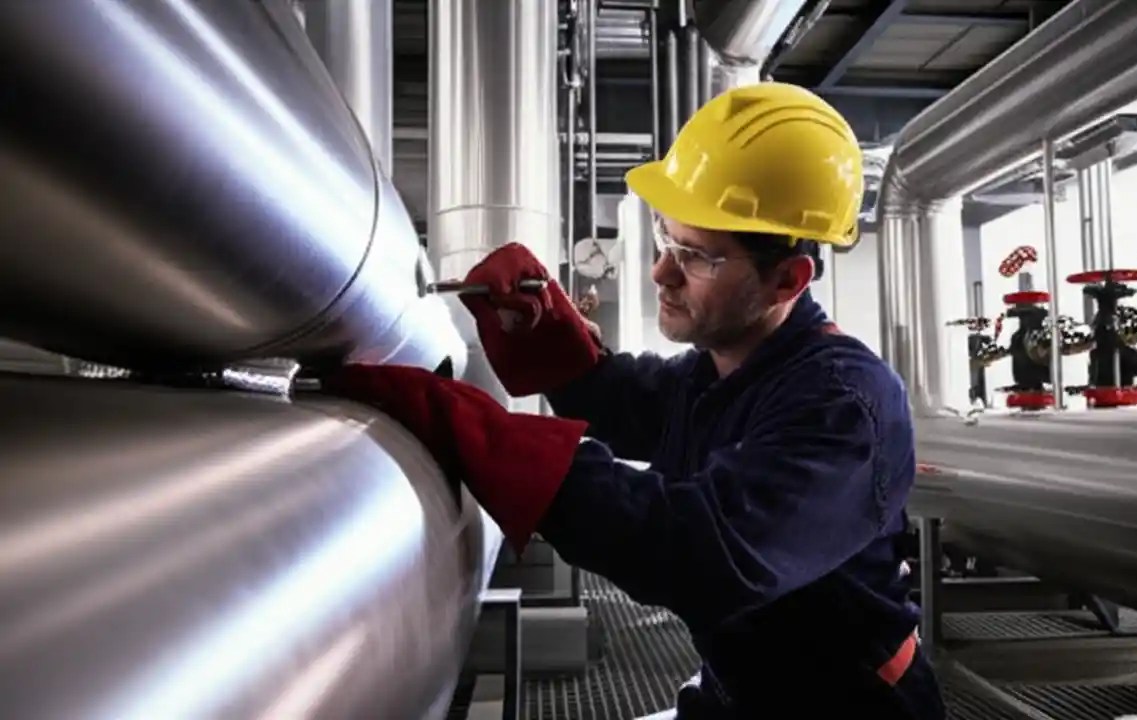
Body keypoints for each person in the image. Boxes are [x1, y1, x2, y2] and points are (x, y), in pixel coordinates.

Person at [322, 82, 946, 719]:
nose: (659, 272)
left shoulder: (844, 407)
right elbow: (629, 400)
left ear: (788, 278)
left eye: (696, 257)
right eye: (664, 238)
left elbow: (696, 550)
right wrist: (550, 340)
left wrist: (490, 439)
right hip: (738, 694)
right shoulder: (723, 369)